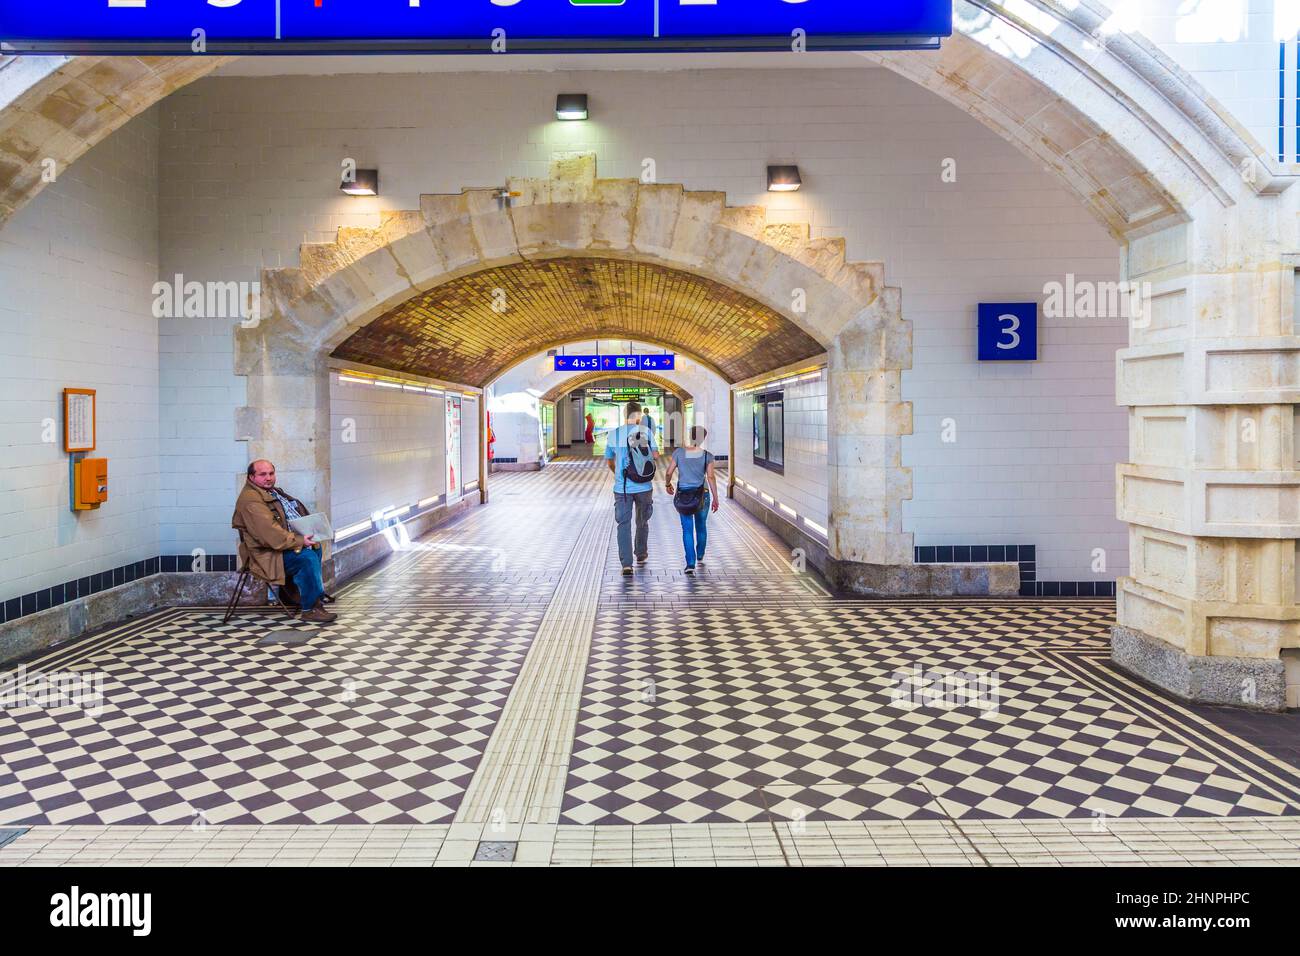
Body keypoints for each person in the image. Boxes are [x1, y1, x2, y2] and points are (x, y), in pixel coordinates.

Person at [232, 459, 337, 624]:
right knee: (306, 558)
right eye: (263, 474)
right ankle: (311, 608)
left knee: (315, 547)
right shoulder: (251, 500)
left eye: (271, 473)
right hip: (264, 555)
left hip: (279, 548)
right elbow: (270, 534)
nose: (268, 478)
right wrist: (300, 540)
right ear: (251, 477)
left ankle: (301, 596)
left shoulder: (274, 492)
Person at [605, 401, 659, 575]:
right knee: (642, 521)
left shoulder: (613, 435)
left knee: (623, 524)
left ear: (624, 415)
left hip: (622, 488)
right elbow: (656, 456)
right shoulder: (645, 432)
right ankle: (641, 553)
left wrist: (619, 473)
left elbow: (609, 460)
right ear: (638, 416)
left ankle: (626, 564)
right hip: (644, 486)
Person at [664, 426, 720, 574]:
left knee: (687, 529)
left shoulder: (679, 453)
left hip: (684, 496)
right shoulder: (708, 456)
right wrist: (716, 498)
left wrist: (667, 484)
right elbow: (711, 477)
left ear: (690, 436)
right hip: (703, 494)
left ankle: (690, 562)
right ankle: (700, 554)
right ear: (703, 439)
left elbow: (669, 472)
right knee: (701, 526)